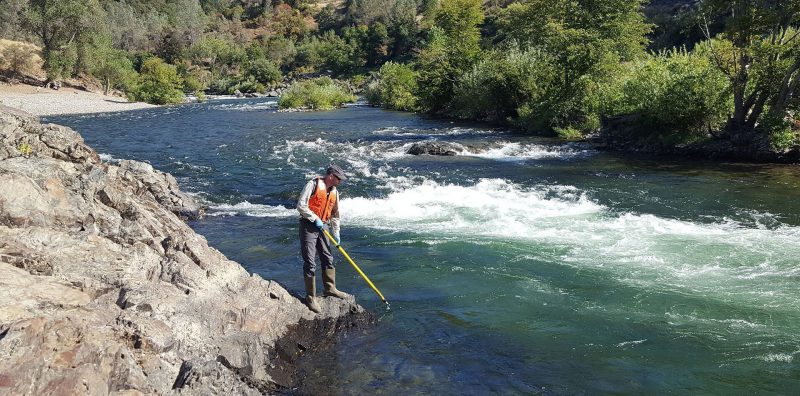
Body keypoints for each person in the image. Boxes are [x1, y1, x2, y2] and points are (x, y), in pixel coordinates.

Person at [296, 164, 349, 313]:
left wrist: (336, 232)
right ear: (331, 176)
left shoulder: (335, 192)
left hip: (323, 226)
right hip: (308, 225)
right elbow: (301, 206)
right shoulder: (312, 184)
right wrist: (314, 218)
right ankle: (310, 297)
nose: (341, 182)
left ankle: (330, 288)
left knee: (327, 257)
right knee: (310, 262)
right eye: (339, 179)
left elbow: (335, 214)